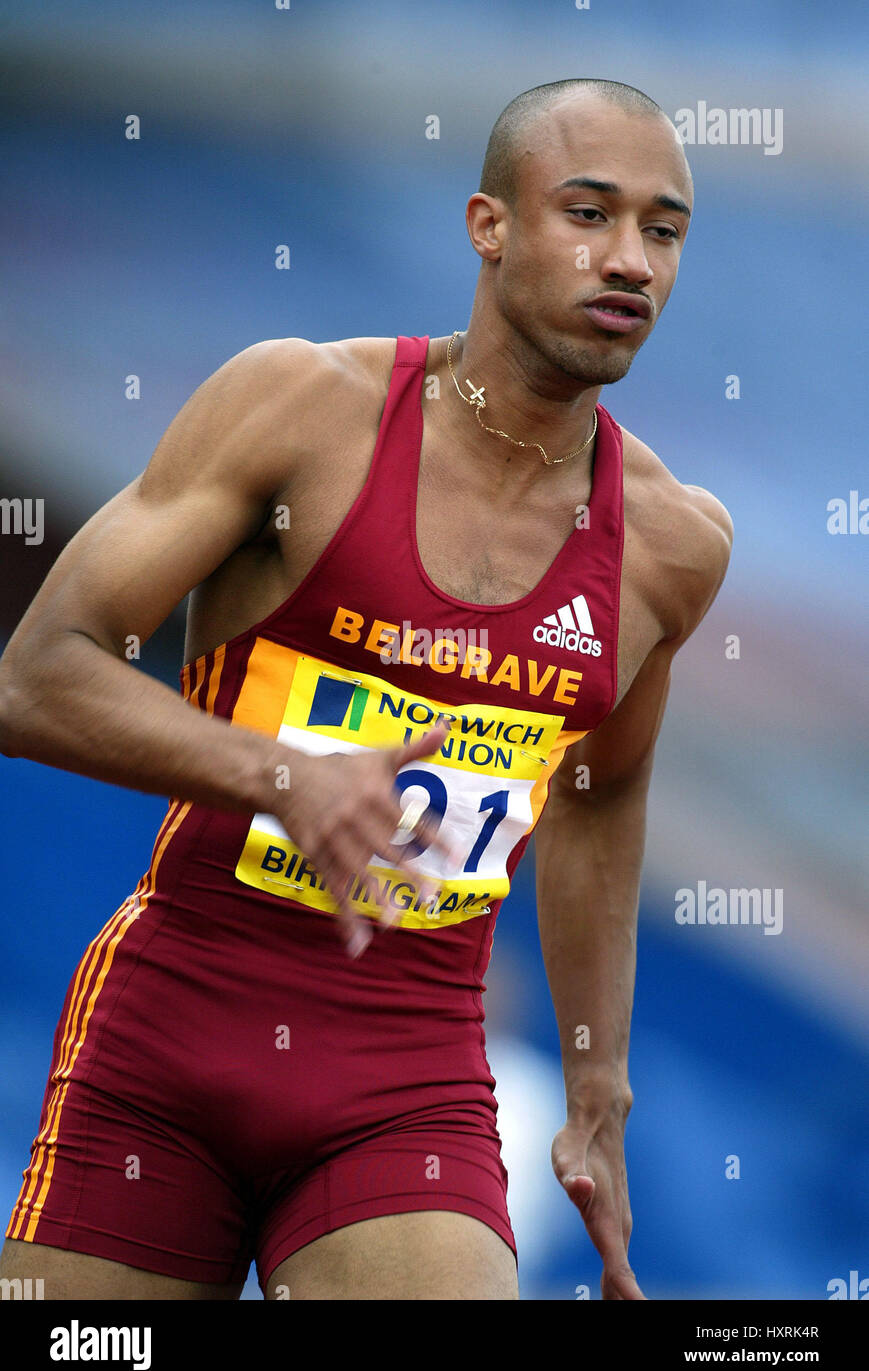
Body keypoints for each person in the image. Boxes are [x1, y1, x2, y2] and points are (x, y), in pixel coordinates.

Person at [0, 78, 732, 1301]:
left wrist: (596, 1084)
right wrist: (285, 774)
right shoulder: (300, 410)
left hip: (408, 1077)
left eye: (661, 232)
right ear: (485, 225)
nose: (629, 263)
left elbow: (599, 797)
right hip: (168, 1033)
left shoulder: (669, 545)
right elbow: (38, 675)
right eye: (587, 214)